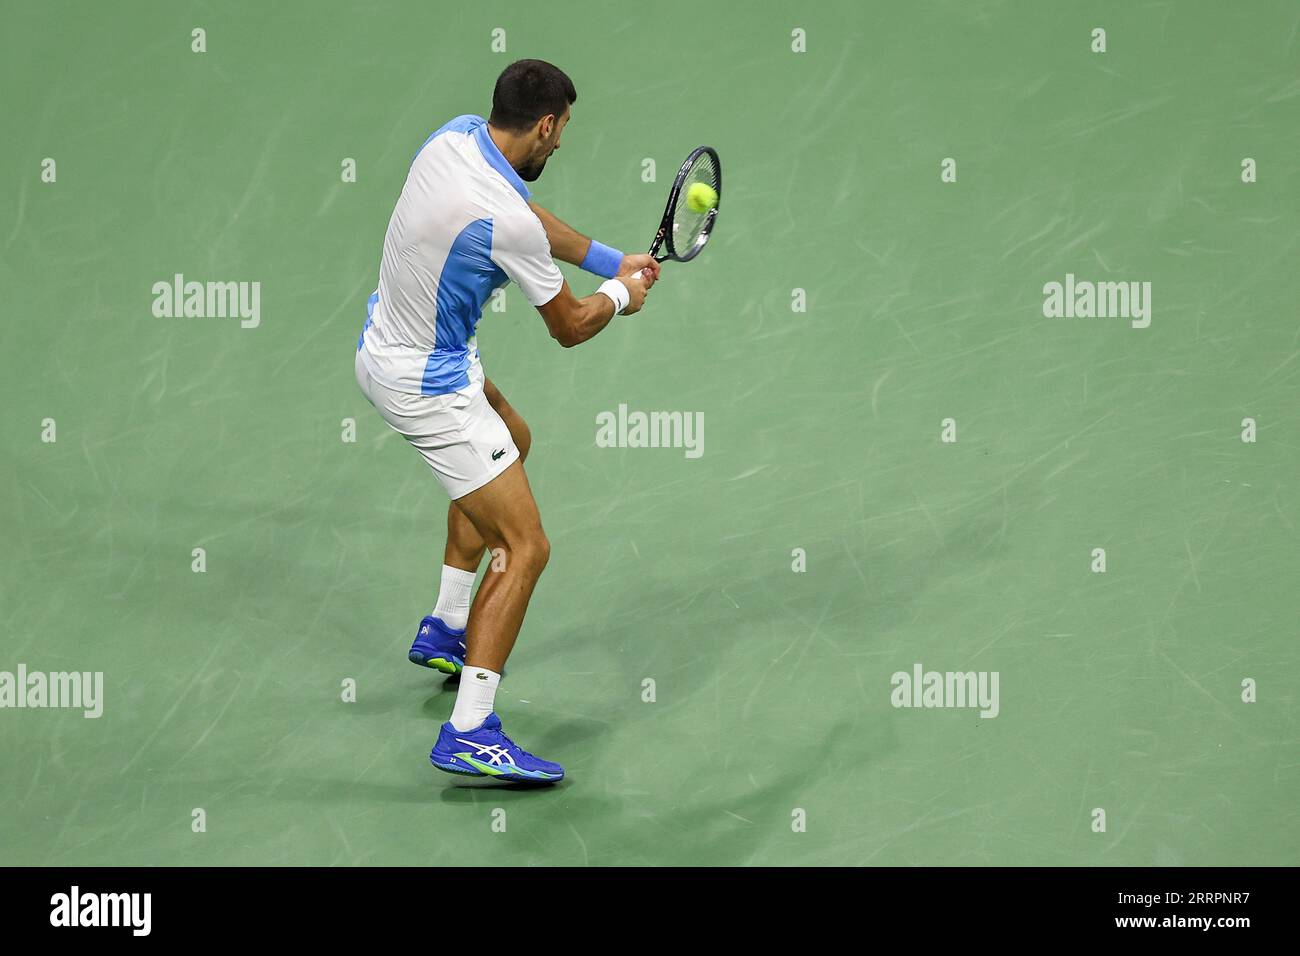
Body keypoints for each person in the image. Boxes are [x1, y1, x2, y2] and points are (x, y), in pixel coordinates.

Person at [354, 59, 660, 782]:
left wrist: (614, 258)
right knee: (526, 547)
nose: (561, 146)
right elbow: (570, 326)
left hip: (389, 347)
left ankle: (447, 625)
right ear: (546, 124)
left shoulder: (453, 139)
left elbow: (529, 218)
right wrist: (619, 295)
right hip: (428, 385)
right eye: (562, 133)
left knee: (512, 442)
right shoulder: (506, 222)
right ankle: (471, 729)